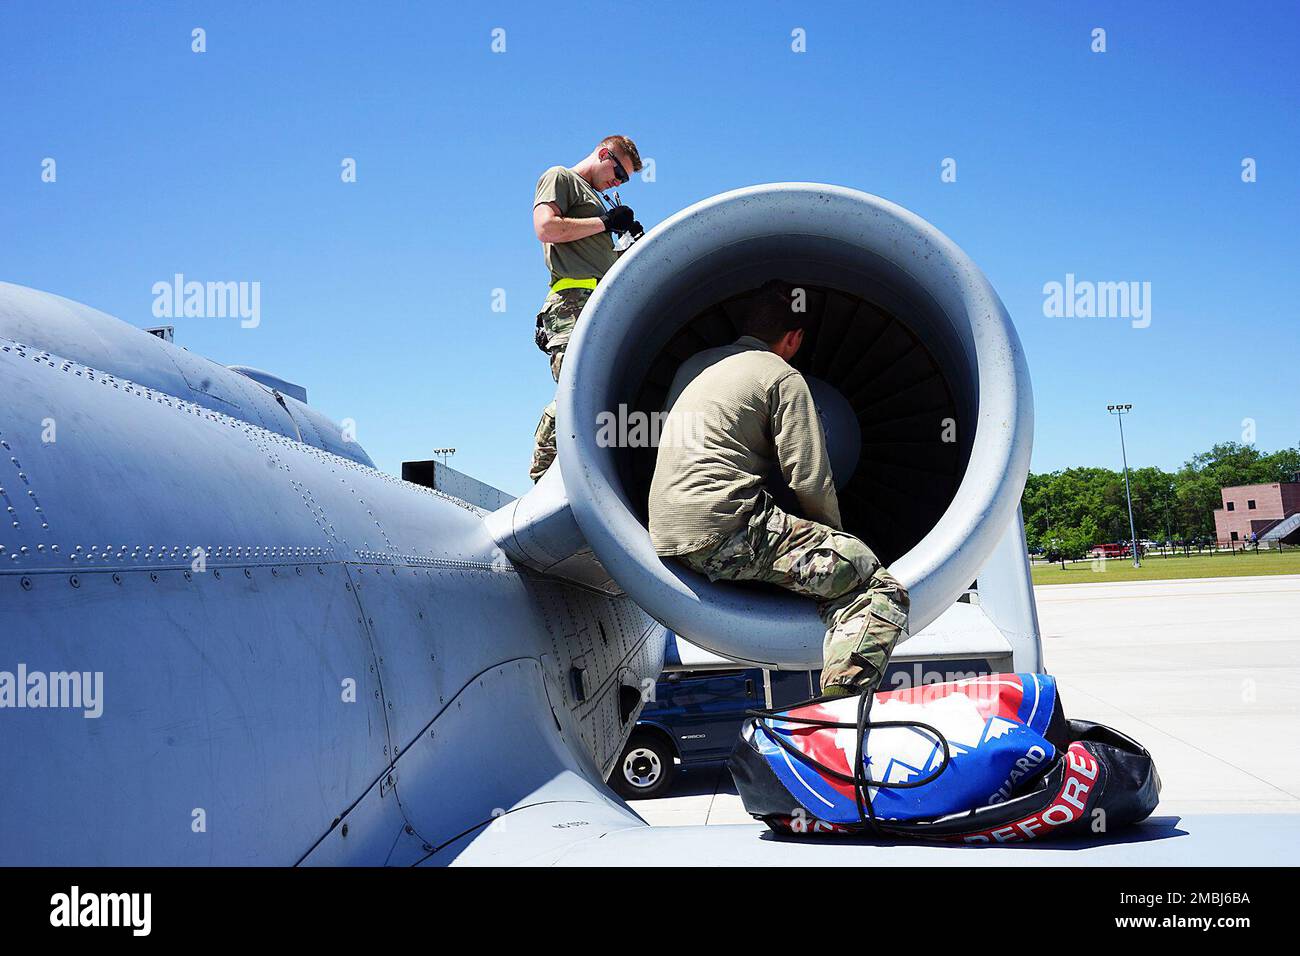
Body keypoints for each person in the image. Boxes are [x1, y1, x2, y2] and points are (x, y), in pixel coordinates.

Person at [647, 281, 909, 698]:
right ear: (794, 337)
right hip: (726, 531)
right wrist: (834, 545)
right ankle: (840, 710)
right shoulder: (781, 375)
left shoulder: (693, 366)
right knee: (876, 588)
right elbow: (809, 479)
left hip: (662, 534)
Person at [529, 135, 643, 482]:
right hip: (571, 303)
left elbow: (596, 259)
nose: (618, 182)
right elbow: (545, 227)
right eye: (618, 173)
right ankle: (542, 473)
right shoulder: (560, 177)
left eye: (624, 180)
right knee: (574, 393)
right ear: (602, 153)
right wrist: (606, 223)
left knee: (597, 395)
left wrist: (628, 246)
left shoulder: (596, 200)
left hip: (597, 306)